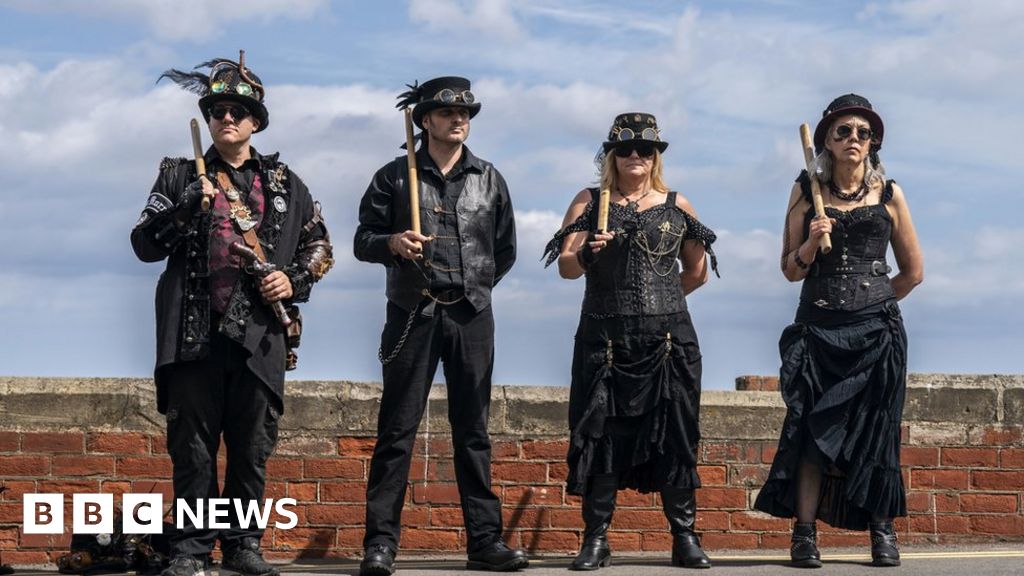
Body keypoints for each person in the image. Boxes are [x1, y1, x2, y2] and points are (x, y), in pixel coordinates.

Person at [132, 51, 334, 576]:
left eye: (238, 111)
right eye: (218, 109)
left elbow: (321, 245)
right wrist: (184, 210)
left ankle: (243, 547)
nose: (227, 118)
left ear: (255, 122)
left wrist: (294, 278)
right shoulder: (177, 175)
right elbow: (143, 244)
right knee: (193, 449)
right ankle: (192, 550)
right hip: (192, 333)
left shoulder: (287, 184)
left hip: (260, 335)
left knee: (251, 449)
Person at [353, 76, 525, 576]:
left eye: (466, 112)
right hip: (413, 313)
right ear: (424, 120)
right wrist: (392, 244)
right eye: (449, 113)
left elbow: (504, 250)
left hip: (471, 315)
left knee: (473, 432)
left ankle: (485, 542)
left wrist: (475, 287)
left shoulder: (489, 178)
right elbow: (362, 238)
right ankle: (380, 545)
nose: (460, 119)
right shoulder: (392, 176)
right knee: (396, 432)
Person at [753, 94, 924, 568]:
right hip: (818, 330)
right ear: (826, 140)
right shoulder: (806, 192)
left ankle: (881, 531)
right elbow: (789, 270)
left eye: (863, 133)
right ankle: (804, 536)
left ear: (873, 143)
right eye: (844, 131)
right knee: (810, 429)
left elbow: (912, 272)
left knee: (876, 432)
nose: (854, 139)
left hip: (876, 333)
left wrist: (873, 302)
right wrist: (809, 242)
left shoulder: (889, 193)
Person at [543, 112, 719, 570]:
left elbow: (696, 270)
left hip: (667, 341)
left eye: (646, 149)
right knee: (598, 435)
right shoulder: (590, 200)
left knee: (676, 436)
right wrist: (585, 253)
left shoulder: (678, 204)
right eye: (625, 149)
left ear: (657, 155)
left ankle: (684, 538)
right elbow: (564, 265)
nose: (636, 156)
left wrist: (660, 299)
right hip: (604, 339)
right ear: (612, 155)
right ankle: (596, 541)